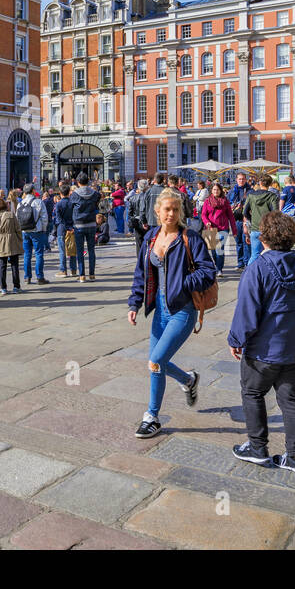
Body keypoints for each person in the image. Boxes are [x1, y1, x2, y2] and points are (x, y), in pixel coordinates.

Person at [228, 211, 295, 474]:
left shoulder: (257, 268)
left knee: (252, 392)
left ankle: (258, 448)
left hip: (264, 348)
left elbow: (247, 313)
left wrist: (236, 338)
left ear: (263, 239)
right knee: (291, 399)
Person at [127, 188, 216, 439]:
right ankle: (188, 380)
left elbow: (208, 271)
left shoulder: (191, 238)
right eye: (167, 209)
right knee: (155, 363)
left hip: (183, 311)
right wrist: (135, 303)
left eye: (176, 210)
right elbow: (141, 274)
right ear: (157, 211)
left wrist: (184, 285)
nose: (172, 214)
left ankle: (151, 416)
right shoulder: (151, 238)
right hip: (160, 311)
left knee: (156, 361)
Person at [70, 173, 101, 282]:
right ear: (88, 181)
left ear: (78, 182)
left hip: (79, 224)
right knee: (91, 250)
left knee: (80, 250)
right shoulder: (94, 194)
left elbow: (71, 207)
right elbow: (98, 199)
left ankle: (82, 275)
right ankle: (92, 274)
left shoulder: (74, 194)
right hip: (91, 223)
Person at [17, 186, 50, 285]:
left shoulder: (20, 203)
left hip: (25, 231)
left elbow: (17, 217)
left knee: (27, 254)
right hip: (37, 231)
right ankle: (40, 277)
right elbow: (44, 218)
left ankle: (27, 277)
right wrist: (44, 229)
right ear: (33, 191)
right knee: (39, 254)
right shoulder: (38, 202)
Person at [200, 183, 235, 275]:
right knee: (213, 251)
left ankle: (219, 269)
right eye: (214, 189)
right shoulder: (207, 201)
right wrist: (207, 222)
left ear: (221, 191)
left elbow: (230, 216)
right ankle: (216, 265)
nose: (216, 191)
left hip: (223, 228)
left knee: (220, 249)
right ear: (211, 190)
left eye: (218, 190)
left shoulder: (225, 201)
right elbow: (203, 214)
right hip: (210, 228)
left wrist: (234, 230)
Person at [242, 175, 279, 260]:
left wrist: (251, 219)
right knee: (270, 255)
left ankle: (250, 272)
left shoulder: (251, 196)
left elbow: (244, 212)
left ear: (260, 183)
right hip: (268, 228)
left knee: (255, 255)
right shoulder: (272, 196)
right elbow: (275, 213)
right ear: (270, 184)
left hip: (255, 228)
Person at [0, 194, 22, 293]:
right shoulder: (11, 215)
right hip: (12, 240)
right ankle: (16, 286)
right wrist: (20, 239)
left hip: (1, 241)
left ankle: (3, 288)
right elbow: (18, 229)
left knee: (2, 265)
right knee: (14, 264)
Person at [228, 172, 252, 269]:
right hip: (236, 219)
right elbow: (227, 203)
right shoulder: (232, 191)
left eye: (243, 179)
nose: (241, 181)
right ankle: (240, 262)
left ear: (245, 180)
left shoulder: (250, 191)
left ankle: (246, 262)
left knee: (246, 241)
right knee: (238, 242)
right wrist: (233, 206)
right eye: (239, 179)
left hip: (246, 219)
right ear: (236, 180)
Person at [54, 185, 75, 278]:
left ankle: (63, 270)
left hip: (61, 229)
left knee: (62, 251)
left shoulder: (58, 204)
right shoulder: (73, 203)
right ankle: (73, 270)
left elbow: (58, 219)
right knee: (72, 249)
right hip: (73, 228)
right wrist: (71, 227)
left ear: (60, 193)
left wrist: (66, 227)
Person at [127, 179, 151, 255]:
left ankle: (140, 260)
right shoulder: (149, 197)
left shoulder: (133, 198)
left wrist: (133, 220)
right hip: (147, 221)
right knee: (149, 242)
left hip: (137, 221)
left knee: (139, 243)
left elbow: (130, 213)